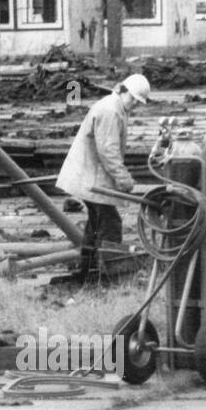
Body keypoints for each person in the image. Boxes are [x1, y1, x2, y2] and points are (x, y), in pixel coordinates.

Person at [56, 73, 150, 280]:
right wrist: (123, 179)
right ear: (123, 91)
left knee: (96, 223)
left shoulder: (113, 106)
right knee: (110, 224)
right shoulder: (110, 111)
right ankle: (109, 275)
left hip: (91, 176)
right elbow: (108, 151)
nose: (135, 105)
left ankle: (88, 270)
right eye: (134, 100)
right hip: (92, 178)